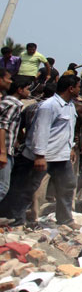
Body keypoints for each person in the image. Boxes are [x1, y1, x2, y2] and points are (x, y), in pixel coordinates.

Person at [21, 75, 80, 225]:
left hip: (61, 156)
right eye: (78, 86)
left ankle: (65, 219)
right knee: (33, 188)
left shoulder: (70, 105)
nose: (80, 89)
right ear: (71, 88)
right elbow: (41, 130)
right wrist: (40, 156)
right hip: (46, 156)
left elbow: (65, 130)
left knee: (67, 186)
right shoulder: (49, 106)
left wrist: (70, 147)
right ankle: (22, 219)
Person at [0, 70, 18, 202]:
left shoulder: (3, 99)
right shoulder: (11, 103)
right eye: (8, 78)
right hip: (3, 149)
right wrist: (2, 152)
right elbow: (2, 126)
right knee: (2, 187)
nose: (10, 81)